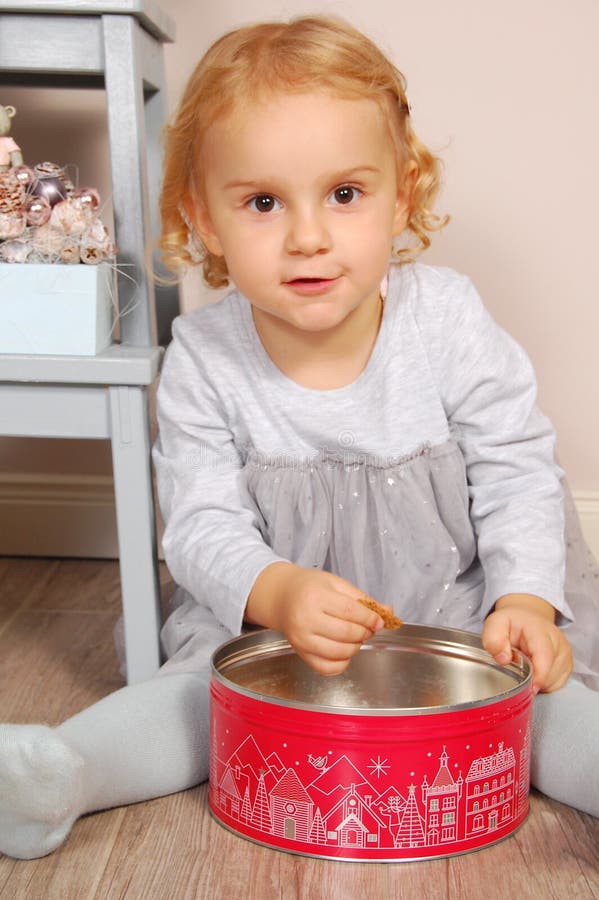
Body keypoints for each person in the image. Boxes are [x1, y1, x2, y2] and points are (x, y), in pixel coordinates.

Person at [0, 15, 597, 861]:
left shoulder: (445, 319)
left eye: (344, 194)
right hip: (270, 632)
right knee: (197, 700)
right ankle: (63, 772)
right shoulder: (206, 356)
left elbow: (517, 468)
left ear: (402, 195)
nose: (308, 236)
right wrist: (273, 592)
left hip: (457, 614)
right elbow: (199, 521)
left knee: (540, 703)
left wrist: (524, 600)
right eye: (263, 203)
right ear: (202, 220)